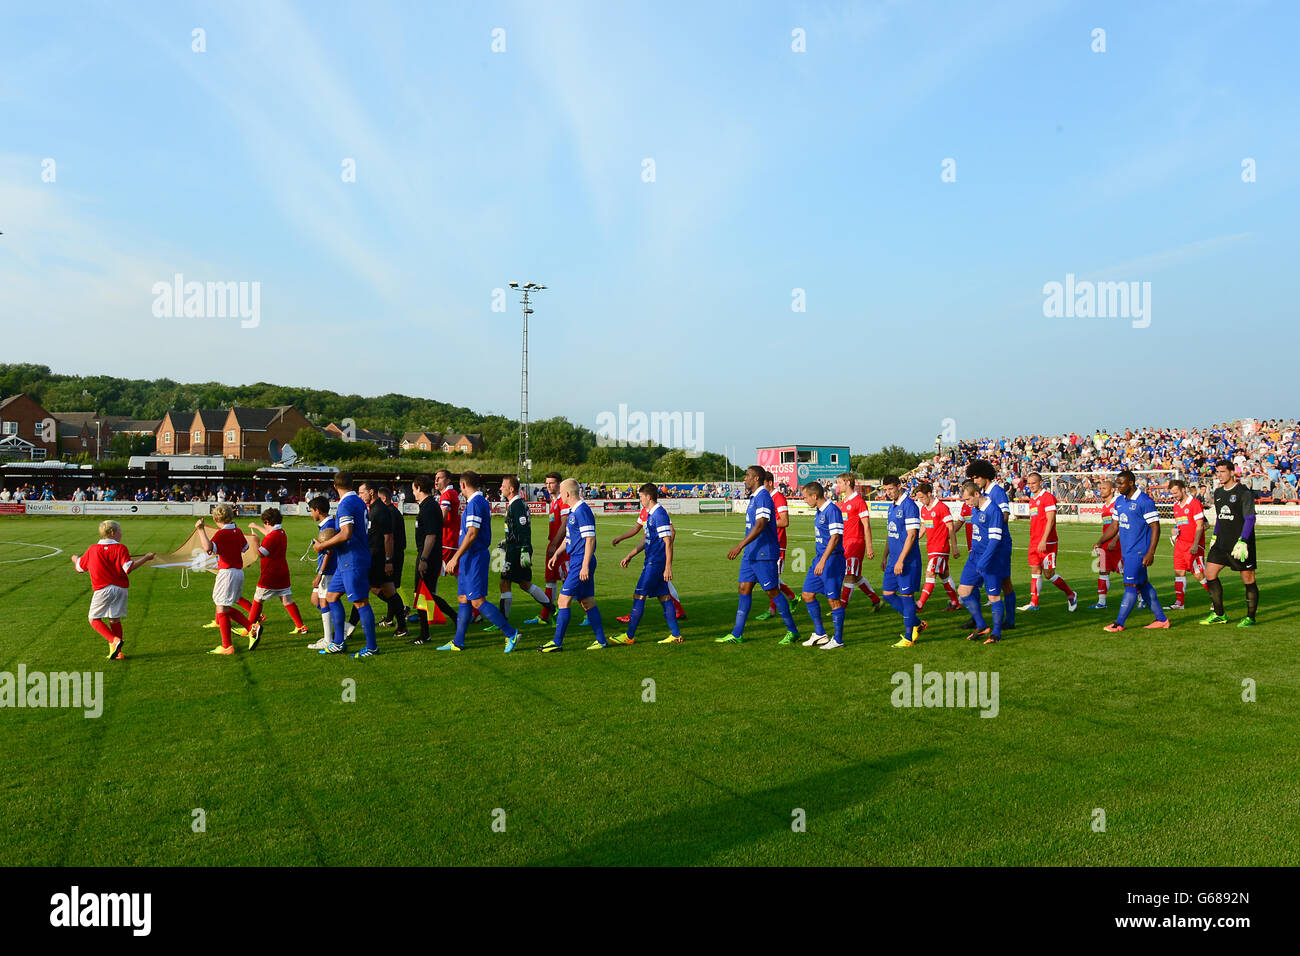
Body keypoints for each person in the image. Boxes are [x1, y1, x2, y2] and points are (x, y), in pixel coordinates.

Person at [717, 466, 800, 645]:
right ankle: (737, 633)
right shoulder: (755, 497)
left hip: (764, 553)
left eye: (747, 476)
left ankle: (793, 631)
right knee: (743, 589)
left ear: (756, 478)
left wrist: (740, 545)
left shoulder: (763, 497)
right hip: (751, 553)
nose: (744, 478)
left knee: (772, 591)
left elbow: (761, 524)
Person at [440, 471, 521, 651]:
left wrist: (455, 557)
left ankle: (511, 633)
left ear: (462, 485)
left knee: (477, 600)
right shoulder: (475, 502)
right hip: (468, 557)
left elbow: (472, 533)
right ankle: (458, 641)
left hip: (474, 557)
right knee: (463, 598)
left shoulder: (476, 502)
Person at [311, 471, 378, 658]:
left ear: (335, 486)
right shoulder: (357, 501)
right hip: (345, 560)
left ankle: (372, 647)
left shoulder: (346, 504)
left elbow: (346, 533)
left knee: (360, 602)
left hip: (353, 559)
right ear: (353, 483)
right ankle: (338, 642)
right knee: (331, 597)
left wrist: (322, 545)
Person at [537, 478, 608, 652]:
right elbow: (570, 538)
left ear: (567, 493)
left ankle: (557, 642)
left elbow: (590, 539)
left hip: (580, 562)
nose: (560, 496)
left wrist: (584, 566)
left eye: (561, 493)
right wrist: (557, 554)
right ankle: (601, 641)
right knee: (587, 601)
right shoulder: (573, 512)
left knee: (563, 600)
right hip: (578, 560)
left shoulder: (582, 511)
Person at [71, 520, 154, 660]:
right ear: (113, 533)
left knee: (93, 619)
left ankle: (114, 641)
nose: (122, 534)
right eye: (120, 531)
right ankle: (118, 653)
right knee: (114, 620)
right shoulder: (120, 548)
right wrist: (146, 558)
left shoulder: (92, 549)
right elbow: (128, 568)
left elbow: (80, 568)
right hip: (120, 589)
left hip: (102, 589)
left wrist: (75, 559)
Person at [611, 483, 682, 645]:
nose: (640, 499)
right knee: (664, 598)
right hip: (652, 561)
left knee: (639, 595)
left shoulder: (659, 515)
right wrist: (630, 555)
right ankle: (676, 635)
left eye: (641, 496)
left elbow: (668, 541)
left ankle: (629, 636)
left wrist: (667, 567)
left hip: (655, 563)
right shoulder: (650, 514)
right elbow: (646, 539)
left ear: (649, 497)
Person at [1099, 470, 1170, 632]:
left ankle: (1119, 623)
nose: (1118, 487)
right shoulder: (1120, 502)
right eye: (1116, 483)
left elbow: (1155, 527)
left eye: (1121, 483)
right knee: (1143, 585)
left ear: (1131, 483)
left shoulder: (1144, 501)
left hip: (1139, 552)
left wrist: (1151, 552)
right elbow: (1114, 526)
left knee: (1130, 585)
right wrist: (1101, 541)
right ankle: (1162, 619)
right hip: (1127, 551)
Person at [488, 475, 554, 631]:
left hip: (517, 550)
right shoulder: (516, 504)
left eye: (503, 486)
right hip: (516, 547)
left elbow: (523, 529)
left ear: (511, 489)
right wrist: (506, 541)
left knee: (504, 582)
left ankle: (502, 621)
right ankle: (552, 610)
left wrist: (523, 550)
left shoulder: (517, 505)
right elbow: (517, 529)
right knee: (524, 584)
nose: (500, 488)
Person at [1200, 459, 1260, 627]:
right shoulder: (1218, 492)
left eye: (1223, 472)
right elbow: (1220, 518)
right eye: (1217, 472)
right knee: (1210, 574)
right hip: (1221, 544)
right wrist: (1214, 536)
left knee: (1248, 579)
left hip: (1240, 545)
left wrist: (1243, 541)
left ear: (1232, 472)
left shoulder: (1243, 492)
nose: (1219, 475)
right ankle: (1220, 614)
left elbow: (1250, 518)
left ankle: (1250, 617)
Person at [407, 476, 459, 645]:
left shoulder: (429, 507)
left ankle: (425, 635)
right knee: (425, 594)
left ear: (419, 487)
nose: (412, 492)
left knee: (421, 594)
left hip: (428, 556)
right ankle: (454, 618)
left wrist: (423, 558)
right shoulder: (428, 505)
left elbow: (431, 535)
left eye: (413, 488)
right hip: (429, 554)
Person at [195, 504, 253, 655]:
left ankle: (228, 645)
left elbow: (208, 549)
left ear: (215, 519)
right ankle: (250, 628)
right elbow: (245, 548)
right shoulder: (237, 531)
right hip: (238, 572)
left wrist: (200, 530)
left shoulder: (221, 534)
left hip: (227, 573)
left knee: (221, 607)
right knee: (224, 607)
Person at [245, 508, 307, 647]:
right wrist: (256, 527)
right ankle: (301, 626)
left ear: (268, 522)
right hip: (282, 572)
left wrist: (255, 542)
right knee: (286, 599)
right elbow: (268, 532)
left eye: (264, 523)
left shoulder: (272, 536)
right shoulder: (281, 532)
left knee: (258, 599)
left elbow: (261, 553)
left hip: (270, 573)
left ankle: (248, 628)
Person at [966, 460, 1017, 628]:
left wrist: (988, 526)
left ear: (986, 475)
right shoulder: (982, 493)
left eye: (977, 477)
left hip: (1000, 545)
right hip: (984, 547)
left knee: (1005, 582)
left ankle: (1009, 620)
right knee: (974, 581)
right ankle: (976, 618)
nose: (975, 481)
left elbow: (1004, 516)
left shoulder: (997, 492)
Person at [1020, 472, 1078, 612]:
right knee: (1035, 571)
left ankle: (1071, 594)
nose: (1031, 485)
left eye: (1034, 483)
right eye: (1029, 483)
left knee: (1049, 574)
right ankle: (1034, 603)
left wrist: (1044, 540)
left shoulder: (1048, 497)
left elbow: (1051, 520)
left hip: (1048, 542)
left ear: (1041, 482)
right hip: (1034, 541)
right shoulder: (1033, 499)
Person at [798, 481, 846, 648]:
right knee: (807, 594)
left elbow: (835, 537)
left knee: (833, 600)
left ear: (814, 496)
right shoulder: (819, 511)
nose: (804, 501)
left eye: (805, 498)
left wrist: (824, 560)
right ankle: (820, 634)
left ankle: (838, 640)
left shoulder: (832, 510)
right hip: (820, 559)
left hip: (832, 560)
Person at [879, 475, 925, 648]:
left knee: (907, 597)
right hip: (893, 560)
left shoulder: (909, 506)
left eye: (891, 489)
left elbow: (912, 535)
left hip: (907, 561)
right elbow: (891, 534)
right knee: (888, 594)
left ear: (899, 486)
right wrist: (885, 556)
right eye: (886, 490)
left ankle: (908, 638)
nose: (888, 493)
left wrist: (901, 560)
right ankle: (917, 623)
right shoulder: (892, 507)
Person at [834, 473, 882, 612]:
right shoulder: (845, 501)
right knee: (855, 575)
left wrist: (870, 547)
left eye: (840, 482)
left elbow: (866, 525)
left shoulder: (859, 501)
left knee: (849, 575)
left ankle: (841, 608)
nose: (838, 485)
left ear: (848, 483)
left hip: (855, 543)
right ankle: (876, 600)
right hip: (845, 543)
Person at [754, 471, 798, 620]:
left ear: (770, 483)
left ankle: (772, 610)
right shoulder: (765, 498)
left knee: (771, 578)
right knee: (770, 577)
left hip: (778, 544)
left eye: (763, 483)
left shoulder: (778, 497)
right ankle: (792, 597)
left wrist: (764, 522)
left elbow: (785, 521)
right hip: (768, 543)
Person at [525, 472, 568, 626]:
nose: (548, 486)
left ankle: (589, 611)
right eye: (546, 483)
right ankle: (545, 615)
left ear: (559, 484)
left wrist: (555, 544)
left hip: (563, 547)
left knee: (568, 581)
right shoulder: (553, 501)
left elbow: (565, 523)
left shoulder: (563, 500)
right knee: (550, 579)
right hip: (554, 544)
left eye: (551, 483)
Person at [913, 481, 961, 612]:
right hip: (931, 548)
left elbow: (950, 527)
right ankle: (955, 602)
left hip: (940, 548)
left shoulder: (941, 507)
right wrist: (914, 539)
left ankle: (919, 604)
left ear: (929, 494)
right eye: (919, 498)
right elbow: (924, 526)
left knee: (930, 573)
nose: (921, 500)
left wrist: (955, 547)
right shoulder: (923, 509)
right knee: (944, 576)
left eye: (922, 497)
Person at [954, 481, 993, 642]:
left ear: (975, 494)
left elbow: (995, 536)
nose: (966, 503)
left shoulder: (989, 508)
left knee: (996, 594)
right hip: (973, 553)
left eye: (967, 499)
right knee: (966, 590)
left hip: (986, 555)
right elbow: (959, 524)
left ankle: (998, 628)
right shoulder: (970, 508)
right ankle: (978, 622)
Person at [1166, 477, 1210, 610]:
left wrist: (1196, 544)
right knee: (1179, 572)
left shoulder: (1194, 503)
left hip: (1193, 545)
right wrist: (1175, 530)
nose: (1174, 496)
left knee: (1199, 574)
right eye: (1172, 493)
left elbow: (1201, 525)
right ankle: (1179, 603)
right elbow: (1181, 524)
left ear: (1183, 489)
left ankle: (1215, 598)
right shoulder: (1176, 506)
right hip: (1180, 545)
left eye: (1176, 492)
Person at [305, 495, 338, 651]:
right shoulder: (328, 524)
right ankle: (339, 629)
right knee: (316, 600)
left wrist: (319, 574)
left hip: (328, 570)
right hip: (327, 570)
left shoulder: (328, 526)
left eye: (311, 511)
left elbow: (328, 553)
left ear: (317, 510)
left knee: (324, 601)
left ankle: (329, 639)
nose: (311, 514)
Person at [376, 487, 409, 628]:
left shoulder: (389, 513)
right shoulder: (393, 512)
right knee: (390, 588)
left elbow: (390, 538)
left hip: (393, 555)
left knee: (386, 588)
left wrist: (387, 559)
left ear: (384, 499)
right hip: (396, 553)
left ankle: (400, 609)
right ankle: (390, 618)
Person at [1091, 477, 1124, 610]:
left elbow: (1122, 524)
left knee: (1125, 572)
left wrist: (1115, 540)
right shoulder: (1105, 507)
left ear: (1112, 490)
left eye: (1104, 488)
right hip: (1106, 545)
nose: (1101, 491)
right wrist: (1100, 543)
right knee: (1103, 571)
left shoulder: (1118, 503)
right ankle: (1102, 602)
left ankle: (1141, 597)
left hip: (1118, 545)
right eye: (1100, 489)